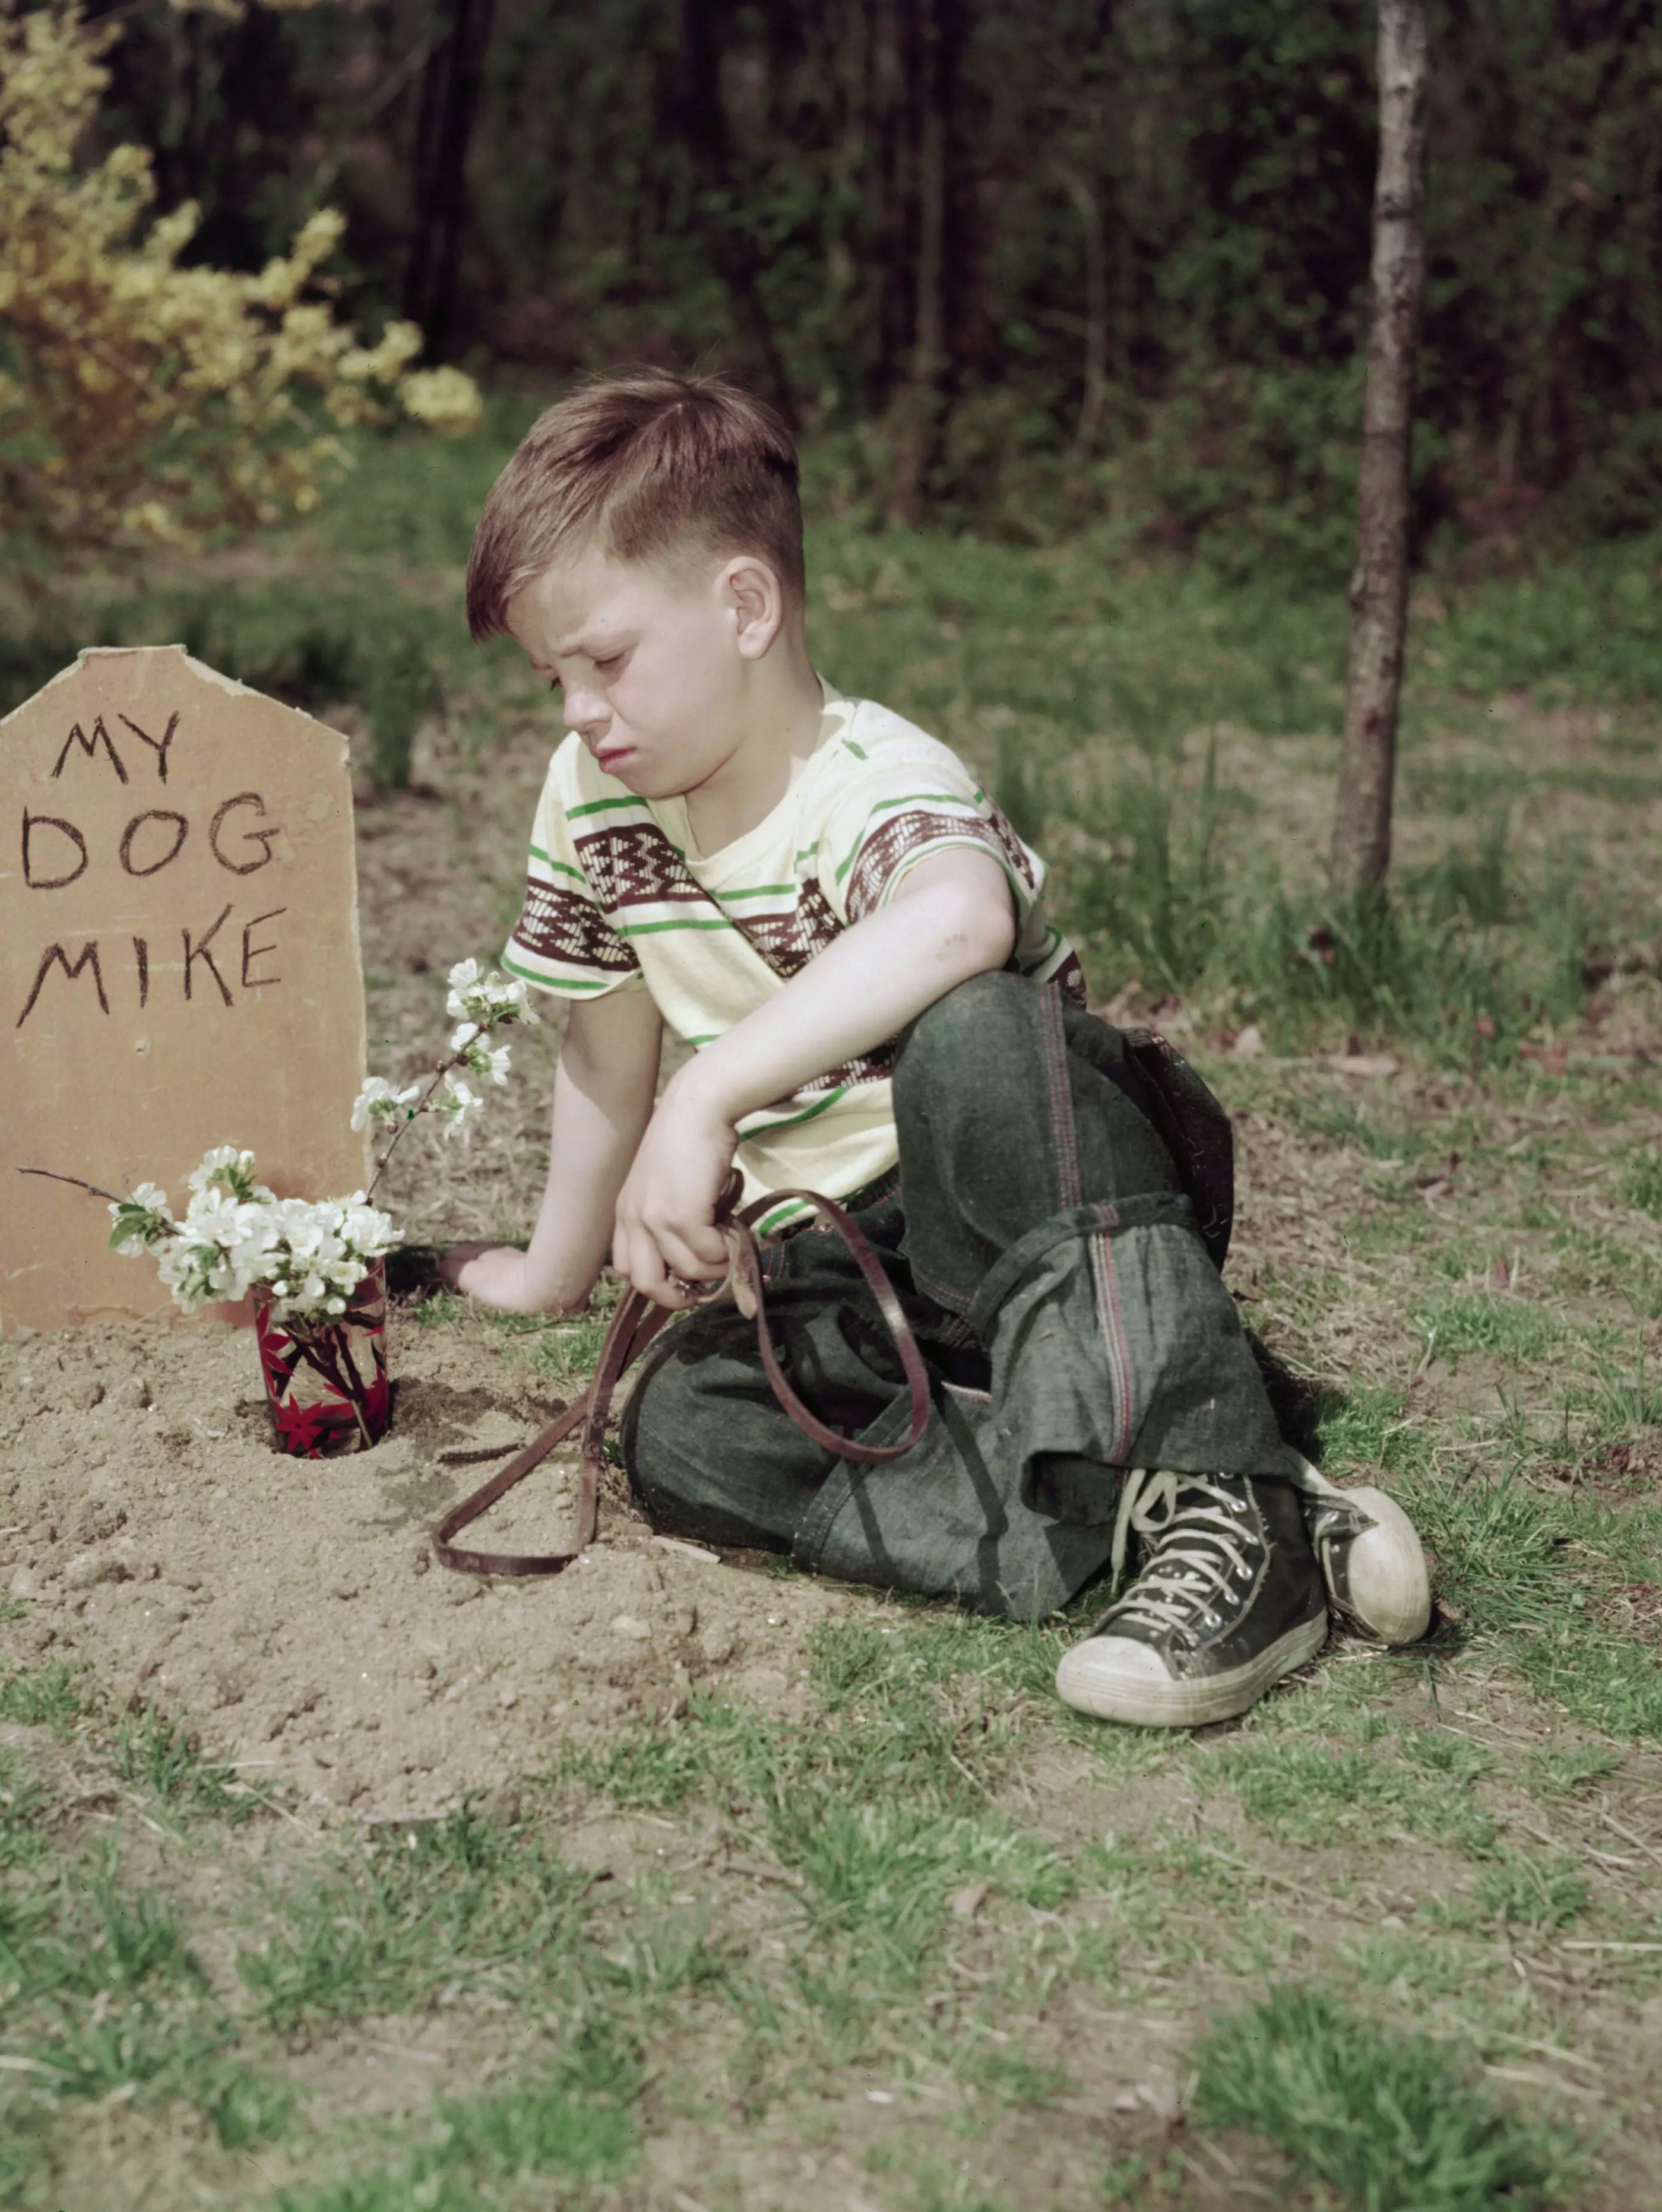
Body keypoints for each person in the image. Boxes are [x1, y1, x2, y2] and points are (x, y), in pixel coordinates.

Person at [444, 369, 1427, 1727]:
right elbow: (606, 1050)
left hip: (1041, 1203)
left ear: (744, 606)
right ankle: (1204, 1500)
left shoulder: (877, 779)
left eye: (603, 660)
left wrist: (712, 1096)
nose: (576, 711)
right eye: (550, 676)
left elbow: (960, 918)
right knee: (682, 1431)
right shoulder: (590, 796)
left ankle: (1214, 1500)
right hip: (848, 1272)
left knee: (973, 1035)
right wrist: (557, 1268)